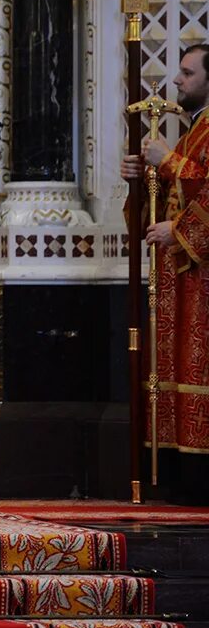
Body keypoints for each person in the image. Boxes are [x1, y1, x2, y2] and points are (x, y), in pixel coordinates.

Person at [120, 43, 209, 504]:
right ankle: (177, 473)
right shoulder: (194, 132)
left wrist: (167, 164)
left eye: (188, 73)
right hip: (180, 279)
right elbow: (174, 192)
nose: (177, 80)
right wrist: (140, 177)